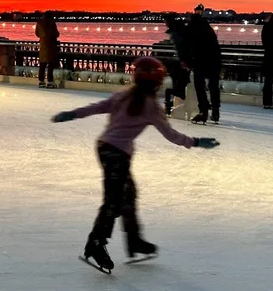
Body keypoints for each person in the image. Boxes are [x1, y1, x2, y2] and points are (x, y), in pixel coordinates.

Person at [51, 56, 220, 272]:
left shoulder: (124, 96)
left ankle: (134, 241)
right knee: (114, 199)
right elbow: (171, 135)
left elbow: (96, 107)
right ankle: (96, 243)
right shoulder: (151, 106)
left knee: (127, 195)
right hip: (117, 154)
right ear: (159, 82)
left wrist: (72, 114)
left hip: (105, 148)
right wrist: (196, 142)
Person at [186, 4, 222, 124]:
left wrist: (188, 61)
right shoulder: (208, 28)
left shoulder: (191, 28)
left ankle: (203, 112)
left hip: (200, 61)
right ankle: (215, 111)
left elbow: (188, 47)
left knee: (200, 87)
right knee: (213, 86)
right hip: (214, 60)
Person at [162, 14, 192, 114]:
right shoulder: (182, 30)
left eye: (165, 21)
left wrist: (183, 61)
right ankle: (172, 104)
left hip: (185, 62)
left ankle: (169, 106)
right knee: (181, 85)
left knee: (178, 85)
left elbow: (181, 48)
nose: (164, 24)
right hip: (188, 61)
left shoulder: (176, 33)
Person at [35, 11, 60, 88]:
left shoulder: (39, 23)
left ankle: (41, 81)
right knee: (51, 64)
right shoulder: (52, 23)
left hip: (43, 45)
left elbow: (37, 33)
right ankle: (50, 81)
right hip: (51, 45)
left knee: (42, 64)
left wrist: (42, 38)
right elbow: (56, 33)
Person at [262, 1, 273, 109]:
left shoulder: (267, 27)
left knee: (268, 81)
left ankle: (267, 102)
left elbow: (264, 41)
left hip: (269, 56)